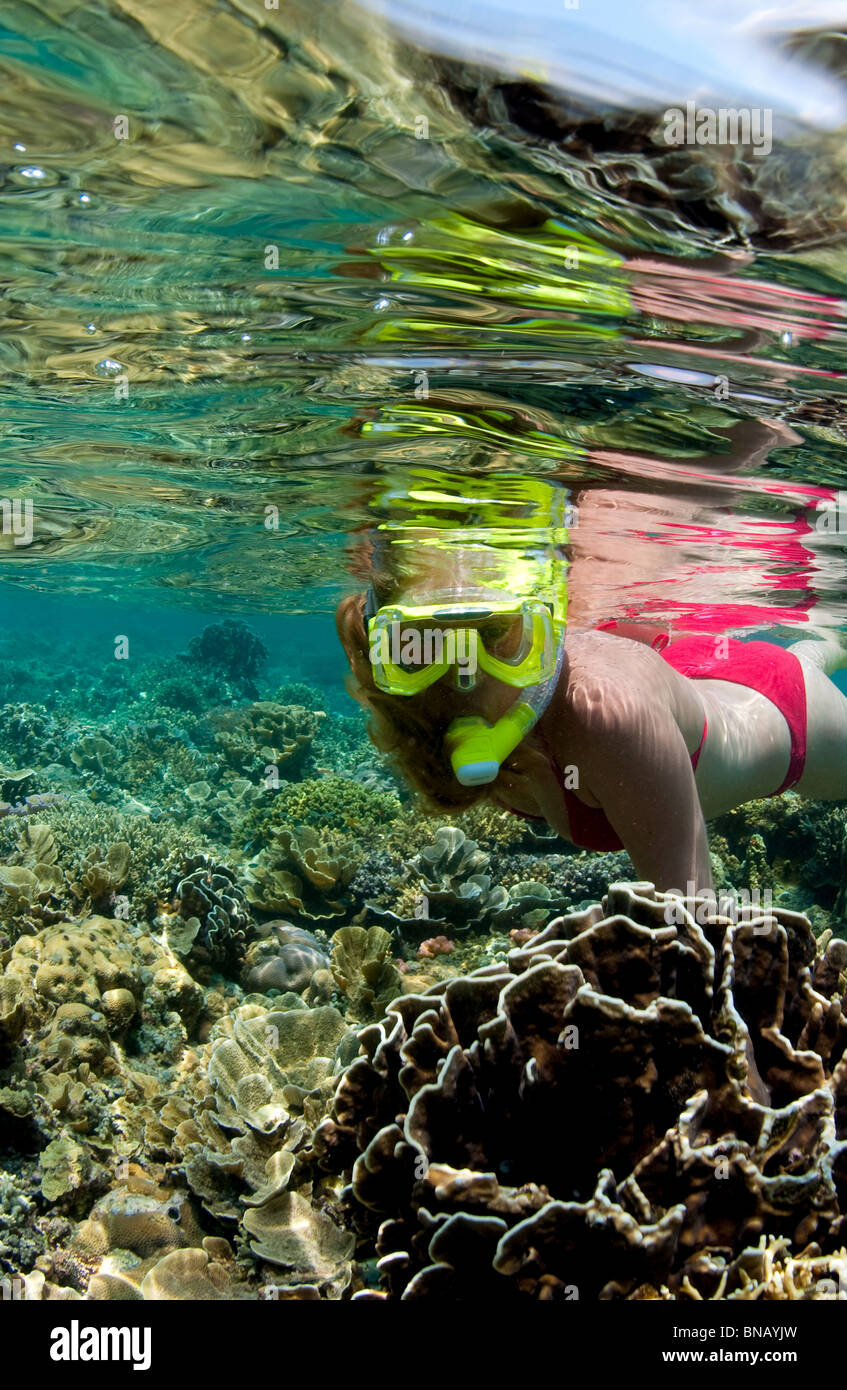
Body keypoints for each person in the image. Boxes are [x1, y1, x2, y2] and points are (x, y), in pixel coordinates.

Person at [336, 503, 847, 897]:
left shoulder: (609, 716)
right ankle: (816, 642)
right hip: (684, 664)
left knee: (803, 666)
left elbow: (693, 925)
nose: (466, 678)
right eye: (423, 644)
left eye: (494, 634)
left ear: (539, 627)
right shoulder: (417, 705)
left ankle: (817, 645)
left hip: (781, 703)